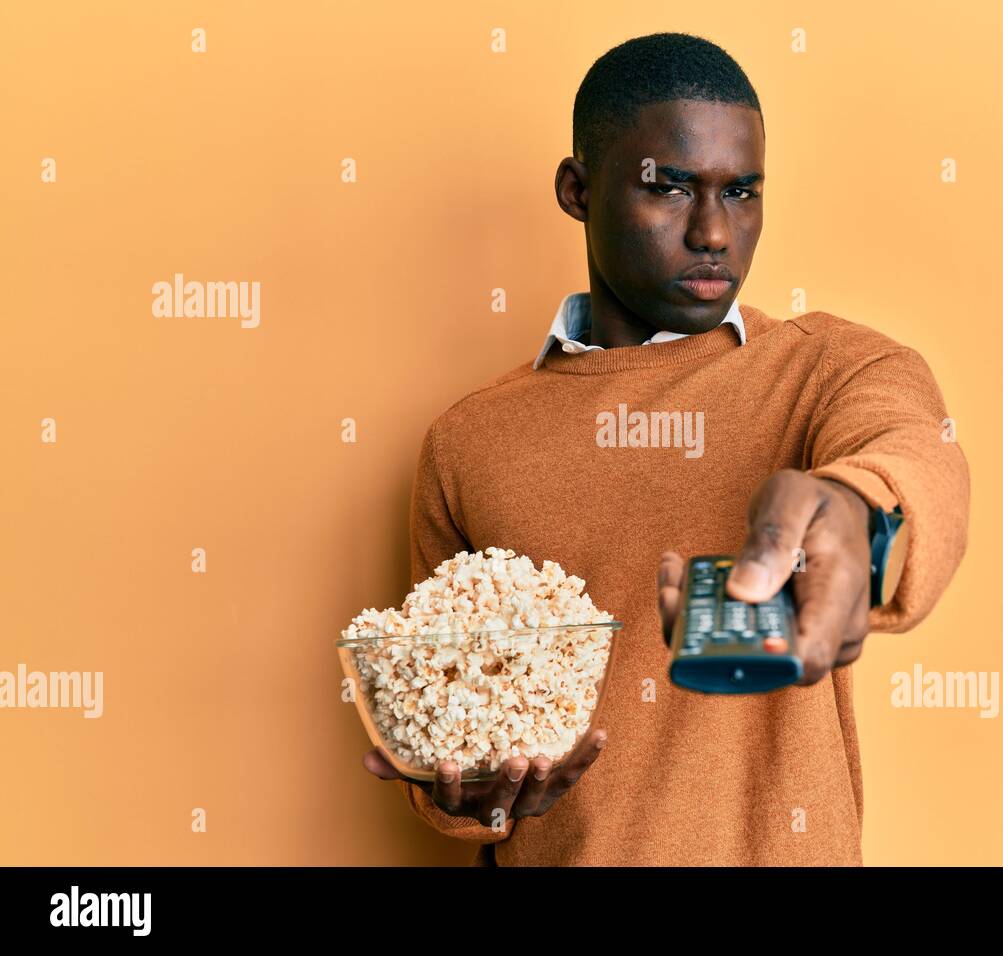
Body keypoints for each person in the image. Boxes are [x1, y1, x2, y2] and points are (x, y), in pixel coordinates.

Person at [362, 31, 970, 866]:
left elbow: (911, 452)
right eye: (672, 189)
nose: (716, 231)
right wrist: (454, 789)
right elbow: (448, 734)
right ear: (578, 191)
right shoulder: (468, 443)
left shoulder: (827, 370)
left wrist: (852, 511)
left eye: (743, 191)